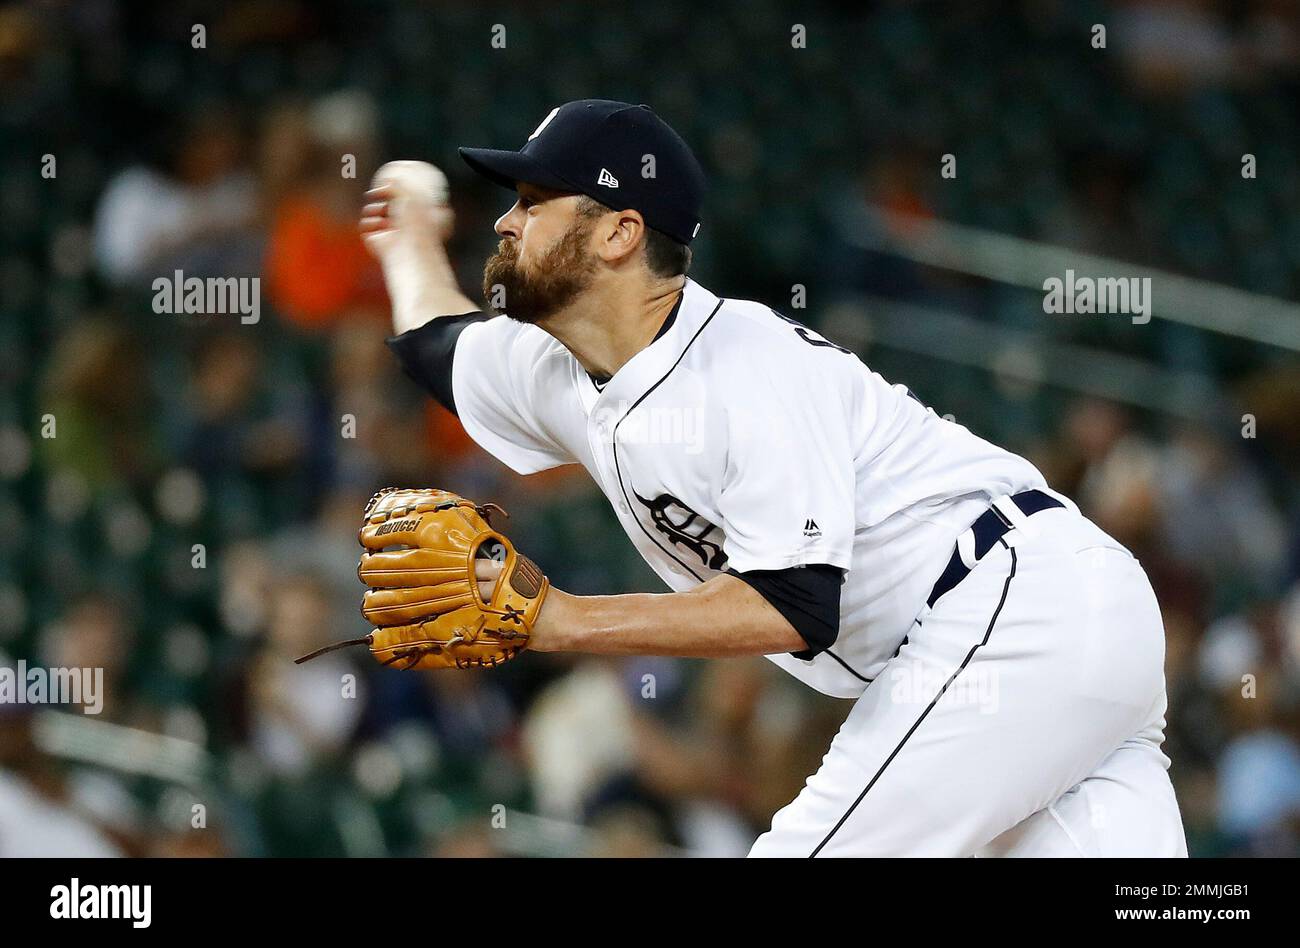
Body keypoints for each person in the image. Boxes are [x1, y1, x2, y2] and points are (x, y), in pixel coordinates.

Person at [358, 100, 1187, 857]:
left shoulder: (744, 366)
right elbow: (438, 344)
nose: (505, 221)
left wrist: (561, 620)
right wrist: (409, 242)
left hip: (1011, 607)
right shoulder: (558, 367)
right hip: (1053, 632)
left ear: (617, 233)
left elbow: (793, 603)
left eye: (533, 201)